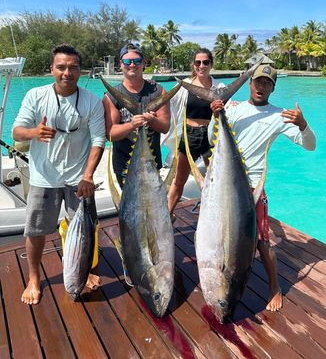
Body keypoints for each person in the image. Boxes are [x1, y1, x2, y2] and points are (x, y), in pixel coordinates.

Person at [210, 64, 316, 312]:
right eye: (258, 82)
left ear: (273, 88)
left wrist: (303, 125)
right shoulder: (233, 109)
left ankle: (273, 286)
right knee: (217, 235)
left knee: (262, 240)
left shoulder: (280, 115)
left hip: (253, 186)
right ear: (250, 84)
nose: (261, 87)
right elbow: (210, 140)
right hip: (224, 184)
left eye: (267, 83)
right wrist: (216, 117)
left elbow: (310, 146)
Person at [12, 44, 106, 305]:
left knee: (87, 230)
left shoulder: (92, 101)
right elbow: (16, 131)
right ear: (52, 69)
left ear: (80, 70)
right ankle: (33, 277)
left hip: (79, 178)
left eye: (73, 67)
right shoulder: (35, 95)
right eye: (61, 67)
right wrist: (33, 133)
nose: (67, 72)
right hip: (44, 177)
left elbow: (99, 140)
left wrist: (88, 176)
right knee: (36, 231)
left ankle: (84, 272)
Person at [163, 48, 224, 216]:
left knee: (215, 181)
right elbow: (167, 101)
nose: (201, 66)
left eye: (205, 62)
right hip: (189, 135)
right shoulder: (184, 85)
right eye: (198, 62)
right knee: (179, 180)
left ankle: (214, 217)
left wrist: (221, 109)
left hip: (211, 137)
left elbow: (227, 113)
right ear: (193, 64)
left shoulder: (220, 87)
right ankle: (167, 216)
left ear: (211, 64)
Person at [103, 43, 170, 188]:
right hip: (125, 167)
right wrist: (132, 125)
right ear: (120, 64)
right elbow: (110, 134)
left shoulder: (158, 91)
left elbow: (165, 127)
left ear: (144, 63)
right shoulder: (111, 96)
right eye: (127, 61)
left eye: (137, 61)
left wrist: (151, 120)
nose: (132, 65)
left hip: (152, 163)